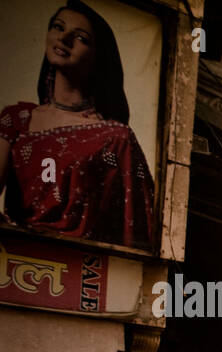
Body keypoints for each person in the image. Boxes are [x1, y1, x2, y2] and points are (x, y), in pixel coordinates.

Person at [0, 2, 155, 248]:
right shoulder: (17, 120)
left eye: (81, 38)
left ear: (98, 56)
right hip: (18, 262)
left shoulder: (116, 138)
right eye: (58, 27)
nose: (64, 38)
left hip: (82, 271)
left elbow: (134, 232)